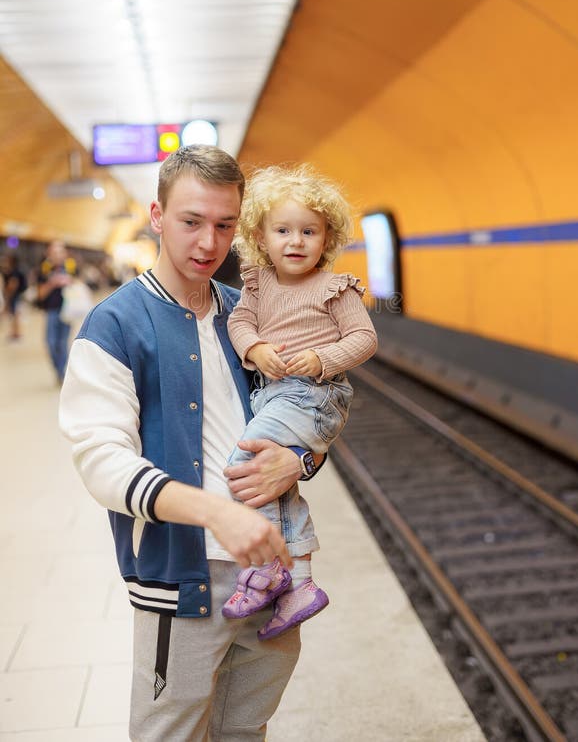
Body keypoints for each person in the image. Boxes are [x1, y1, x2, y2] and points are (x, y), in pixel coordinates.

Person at [59, 145, 321, 741]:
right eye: (191, 221)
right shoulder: (115, 325)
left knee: (244, 729)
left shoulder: (248, 315)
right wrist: (218, 514)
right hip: (183, 581)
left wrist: (300, 459)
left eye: (225, 225)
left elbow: (305, 409)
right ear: (156, 215)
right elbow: (102, 463)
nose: (209, 242)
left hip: (270, 571)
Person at [221, 164, 377, 639]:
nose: (296, 241)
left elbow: (364, 339)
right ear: (260, 237)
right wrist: (255, 348)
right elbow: (240, 323)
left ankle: (270, 568)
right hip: (275, 392)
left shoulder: (335, 287)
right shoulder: (258, 284)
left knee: (247, 465)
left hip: (312, 393)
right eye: (283, 230)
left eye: (309, 231)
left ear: (326, 237)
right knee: (278, 484)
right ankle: (302, 582)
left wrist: (322, 358)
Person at [37, 240, 77, 381]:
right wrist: (52, 283)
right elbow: (40, 294)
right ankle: (58, 368)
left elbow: (81, 287)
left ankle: (61, 372)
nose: (57, 255)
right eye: (54, 252)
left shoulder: (71, 267)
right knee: (51, 343)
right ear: (49, 254)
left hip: (67, 311)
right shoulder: (44, 270)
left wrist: (70, 281)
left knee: (62, 343)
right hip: (51, 311)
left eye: (60, 252)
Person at [1, 253, 27, 341]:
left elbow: (13, 285)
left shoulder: (14, 272)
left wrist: (7, 296)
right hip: (15, 296)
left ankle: (17, 333)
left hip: (16, 296)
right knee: (14, 315)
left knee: (16, 315)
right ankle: (14, 333)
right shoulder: (10, 271)